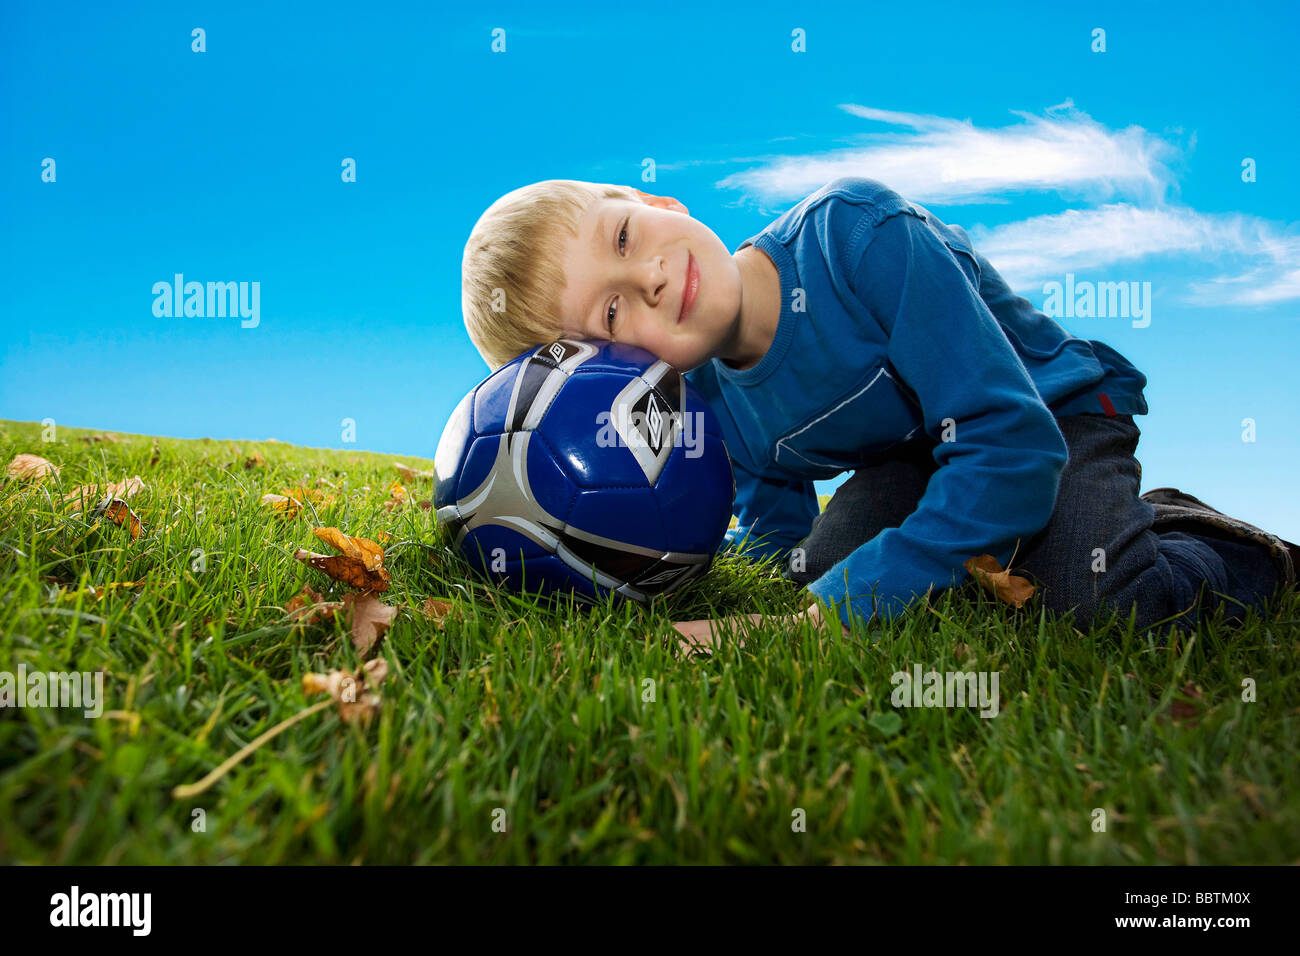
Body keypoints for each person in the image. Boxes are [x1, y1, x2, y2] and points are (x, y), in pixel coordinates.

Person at [460, 176, 1297, 644]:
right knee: (831, 573)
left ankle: (1218, 542)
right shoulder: (713, 407)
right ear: (625, 372)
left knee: (1103, 602)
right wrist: (781, 590)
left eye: (621, 237)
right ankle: (984, 540)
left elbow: (1012, 444)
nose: (643, 277)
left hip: (1047, 416)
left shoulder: (853, 236)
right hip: (918, 456)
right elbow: (779, 532)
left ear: (652, 202)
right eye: (612, 316)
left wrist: (833, 615)